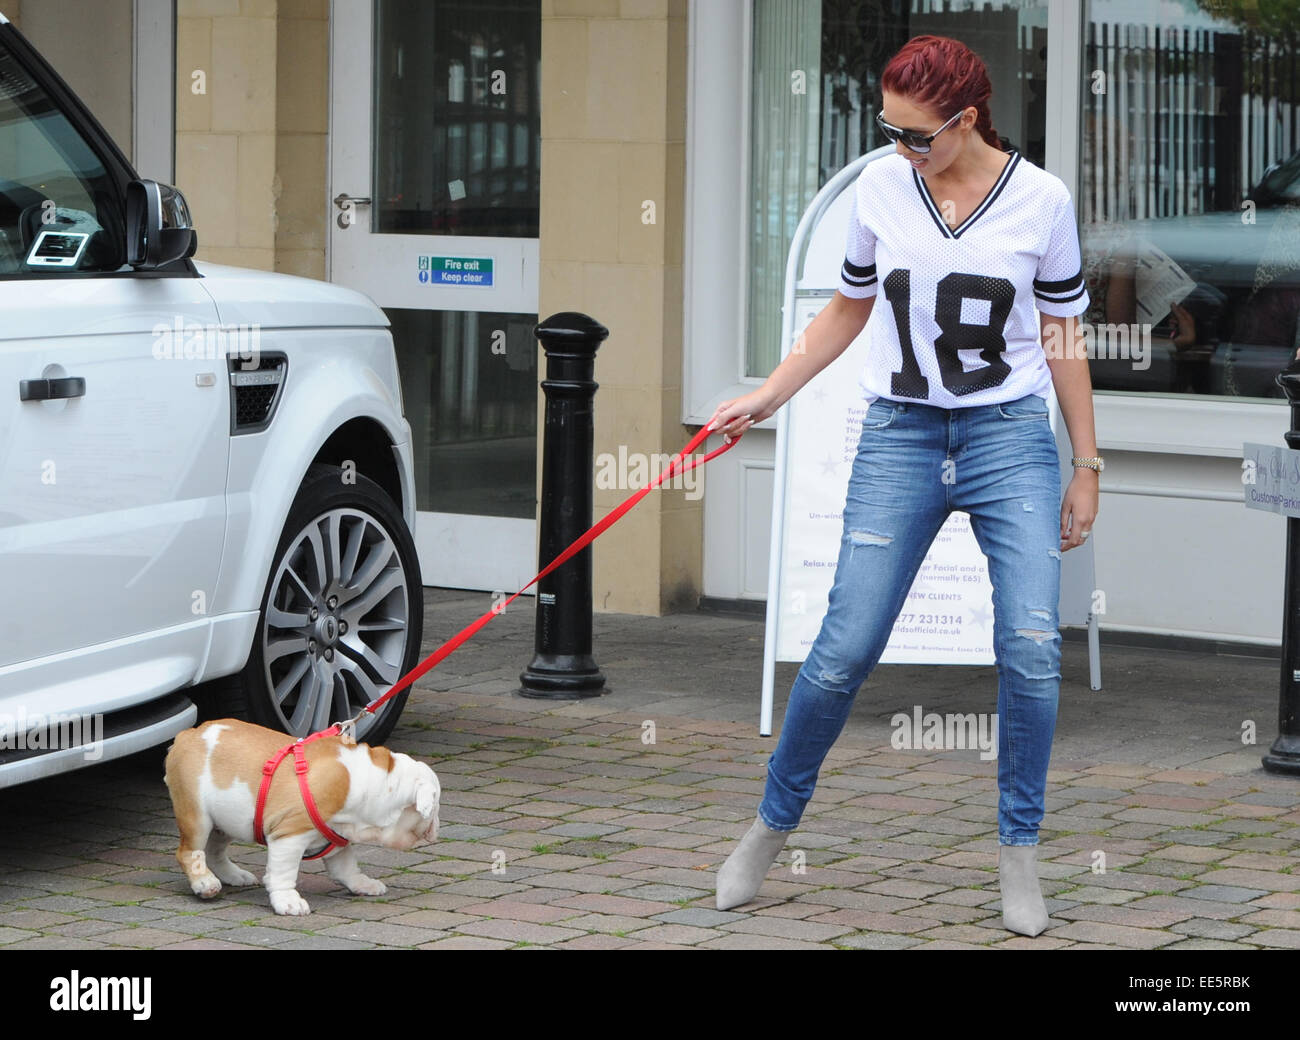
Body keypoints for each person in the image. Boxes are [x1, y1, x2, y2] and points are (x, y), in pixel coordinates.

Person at [707, 35, 1100, 937]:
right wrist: (767, 395)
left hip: (1009, 438)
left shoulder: (1041, 200)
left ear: (967, 121)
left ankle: (1019, 855)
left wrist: (1086, 465)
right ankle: (769, 829)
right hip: (901, 435)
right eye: (888, 128)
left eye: (918, 134)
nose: (900, 149)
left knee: (1034, 647)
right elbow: (847, 308)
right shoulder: (882, 189)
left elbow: (1063, 338)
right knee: (843, 647)